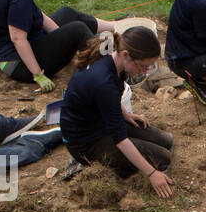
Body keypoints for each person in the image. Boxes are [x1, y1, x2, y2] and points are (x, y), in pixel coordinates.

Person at [59, 26, 174, 199]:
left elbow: (106, 98)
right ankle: (85, 162)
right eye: (142, 66)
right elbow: (120, 140)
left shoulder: (113, 61)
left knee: (166, 141)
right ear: (126, 54)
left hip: (99, 121)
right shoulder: (102, 81)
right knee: (162, 160)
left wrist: (125, 115)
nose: (144, 72)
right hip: (85, 142)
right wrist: (151, 174)